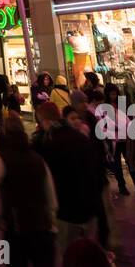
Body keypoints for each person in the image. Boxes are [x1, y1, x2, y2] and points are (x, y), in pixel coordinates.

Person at [0, 114, 59, 267]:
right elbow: (50, 193)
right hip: (42, 227)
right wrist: (51, 218)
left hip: (15, 230)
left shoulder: (0, 158)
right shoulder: (37, 158)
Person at [33, 103, 105, 257]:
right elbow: (95, 168)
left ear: (45, 121)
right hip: (90, 204)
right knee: (90, 252)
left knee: (69, 254)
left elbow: (47, 177)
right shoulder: (80, 137)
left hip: (66, 209)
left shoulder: (49, 144)